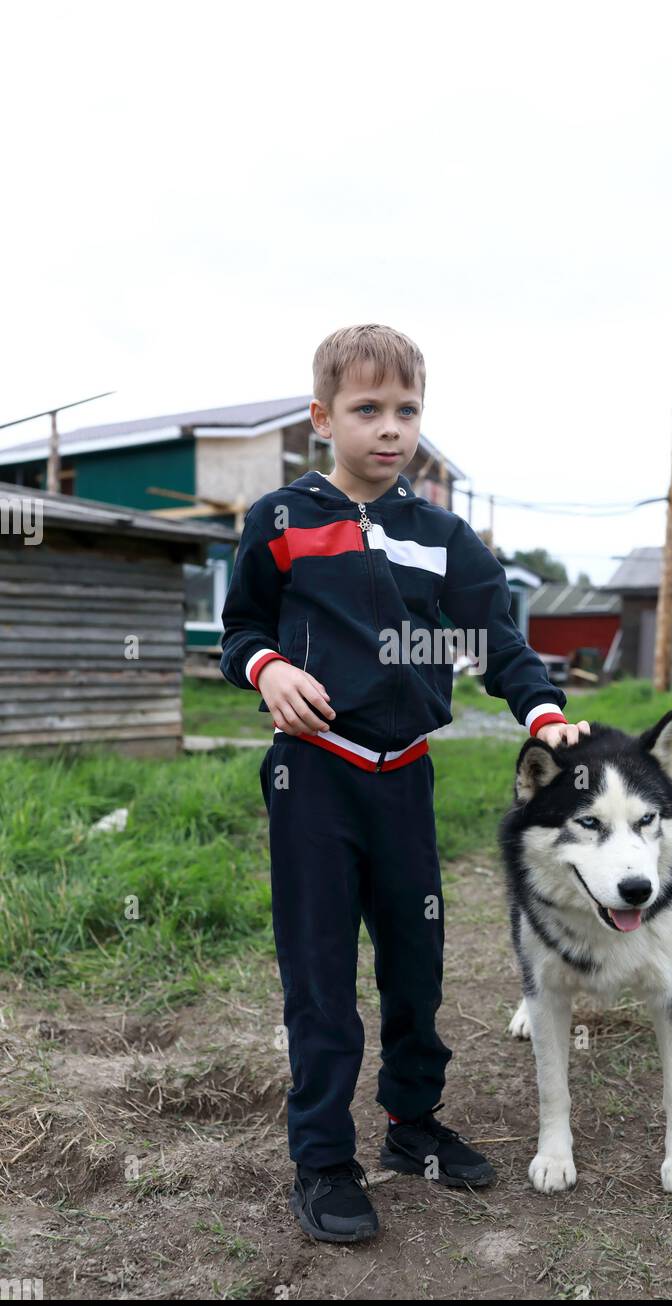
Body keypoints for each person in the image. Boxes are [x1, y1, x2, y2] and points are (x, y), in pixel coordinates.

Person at [220, 324, 590, 1243]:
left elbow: (498, 640)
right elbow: (239, 632)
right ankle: (323, 1158)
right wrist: (266, 668)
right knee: (320, 976)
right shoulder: (279, 522)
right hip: (315, 775)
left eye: (408, 410)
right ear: (322, 418)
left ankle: (411, 1125)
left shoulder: (445, 536)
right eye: (368, 409)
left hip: (404, 781)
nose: (391, 429)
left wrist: (543, 712)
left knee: (417, 969)